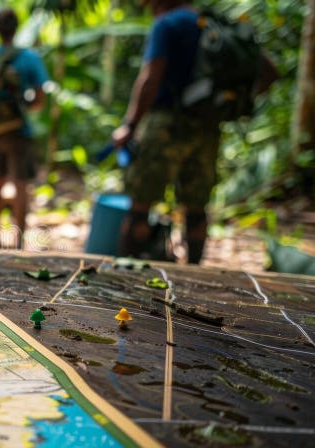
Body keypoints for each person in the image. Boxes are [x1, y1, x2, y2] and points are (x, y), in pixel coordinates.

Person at [111, 0, 216, 264]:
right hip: (206, 127)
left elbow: (151, 76)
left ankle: (124, 272)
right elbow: (267, 72)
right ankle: (194, 274)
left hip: (165, 126)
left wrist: (130, 125)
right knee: (196, 207)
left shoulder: (166, 24)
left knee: (140, 203)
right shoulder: (213, 23)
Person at [0, 8, 49, 249]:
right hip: (19, 133)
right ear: (17, 27)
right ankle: (18, 241)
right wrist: (26, 105)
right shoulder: (29, 58)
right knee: (21, 185)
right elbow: (40, 98)